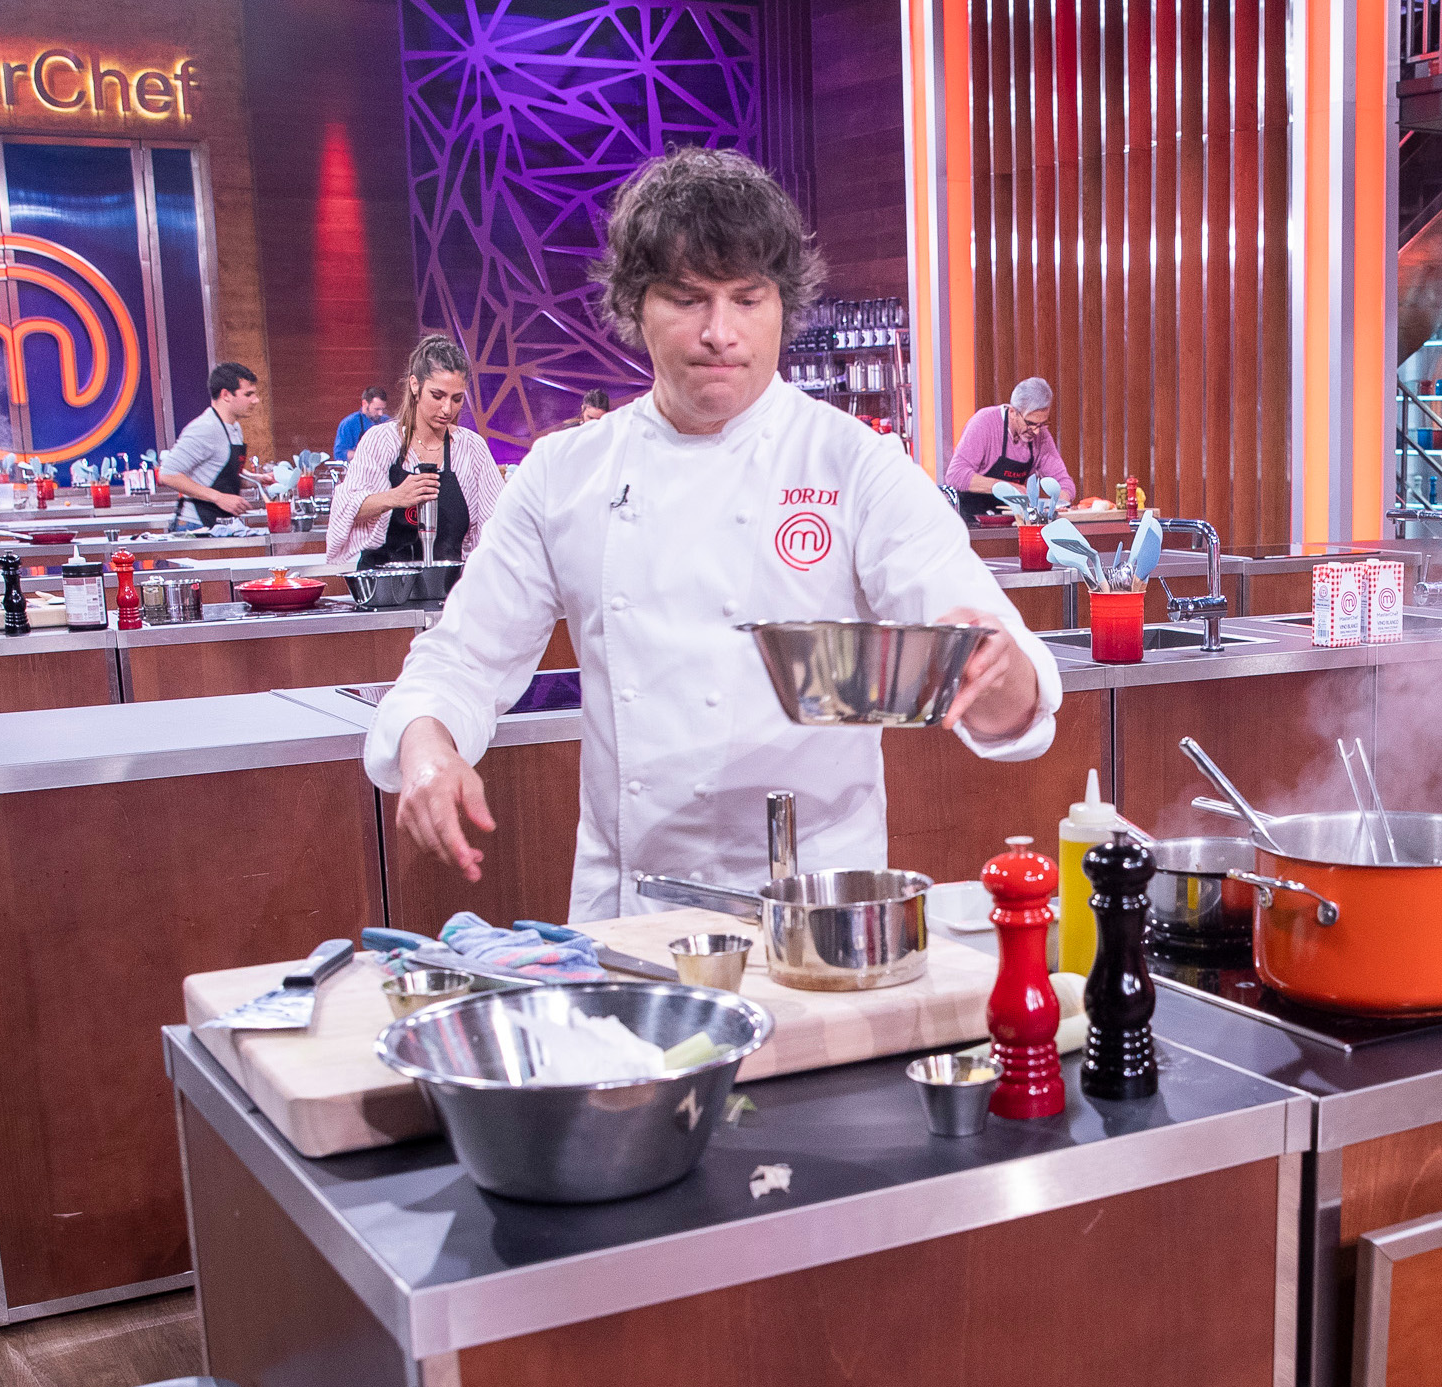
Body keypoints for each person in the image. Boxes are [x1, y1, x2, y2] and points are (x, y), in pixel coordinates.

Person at [366, 146, 1058, 918]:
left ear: (782, 307)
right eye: (687, 298)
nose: (719, 332)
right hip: (633, 919)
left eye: (748, 299)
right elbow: (461, 657)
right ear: (635, 307)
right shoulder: (565, 473)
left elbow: (1001, 680)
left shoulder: (856, 464)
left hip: (818, 916)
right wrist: (426, 743)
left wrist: (998, 673)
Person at [326, 336, 505, 567]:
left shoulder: (471, 448)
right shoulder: (381, 441)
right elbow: (345, 510)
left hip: (447, 592)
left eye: (457, 398)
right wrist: (394, 497)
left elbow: (498, 525)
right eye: (437, 396)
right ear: (415, 385)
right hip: (384, 589)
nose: (447, 409)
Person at [942, 377, 1075, 517]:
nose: (1036, 431)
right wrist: (1007, 488)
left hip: (1009, 518)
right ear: (1012, 412)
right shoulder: (983, 423)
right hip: (971, 517)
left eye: (1041, 424)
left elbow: (1064, 482)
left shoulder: (1041, 436)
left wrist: (1060, 501)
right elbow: (956, 475)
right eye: (1030, 423)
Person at [162, 362, 262, 527]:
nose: (256, 400)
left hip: (221, 523)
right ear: (226, 395)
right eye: (248, 394)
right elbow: (168, 474)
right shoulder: (205, 428)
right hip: (195, 525)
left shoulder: (234, 427)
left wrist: (256, 479)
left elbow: (218, 465)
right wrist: (219, 497)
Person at [332, 386, 386, 462]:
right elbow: (339, 454)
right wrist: (367, 454)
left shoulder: (387, 422)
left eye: (383, 409)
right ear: (364, 403)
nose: (381, 413)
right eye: (377, 409)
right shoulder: (348, 424)